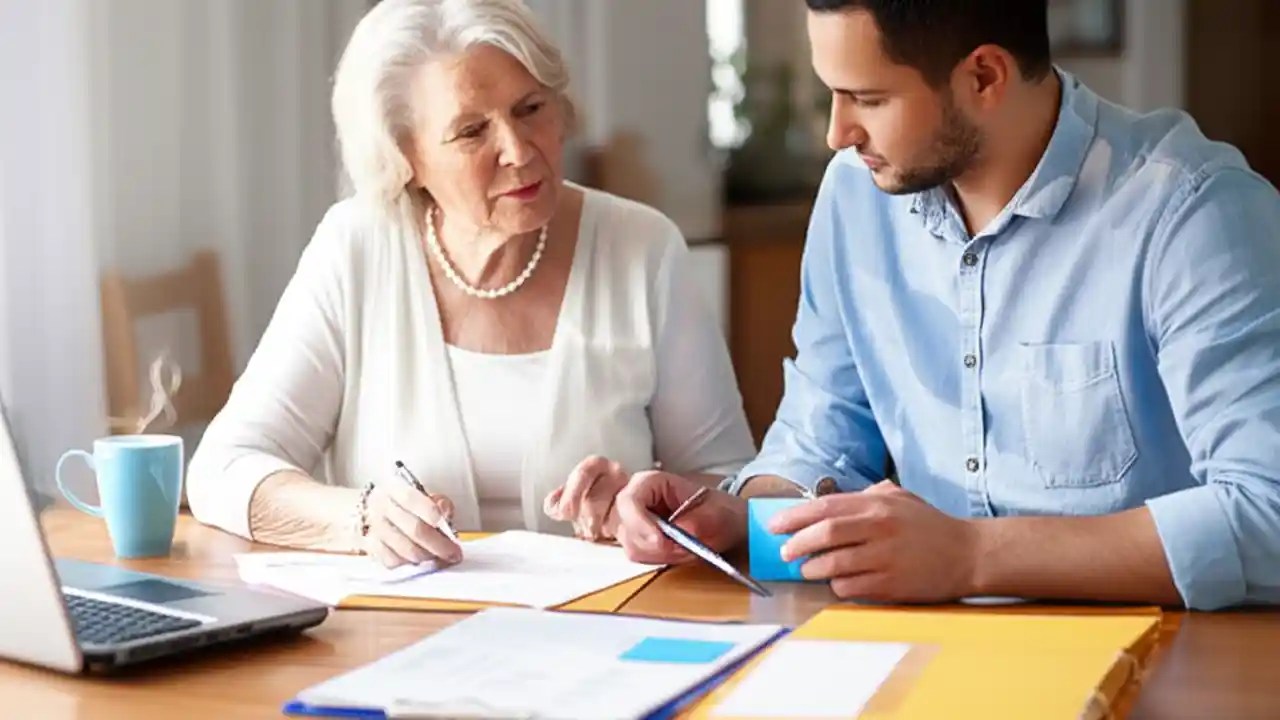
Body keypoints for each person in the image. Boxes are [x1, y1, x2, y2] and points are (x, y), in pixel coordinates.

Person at [615, 0, 1280, 611]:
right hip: (931, 659)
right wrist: (737, 517)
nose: (836, 132)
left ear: (984, 77)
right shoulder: (855, 196)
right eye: (832, 94)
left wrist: (971, 555)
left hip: (1162, 659)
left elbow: (1268, 514)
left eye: (867, 98)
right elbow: (820, 441)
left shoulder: (1193, 212)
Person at [187, 0, 753, 568]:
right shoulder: (355, 248)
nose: (518, 148)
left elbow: (729, 480)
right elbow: (224, 467)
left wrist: (646, 507)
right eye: (471, 131)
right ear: (405, 156)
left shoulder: (643, 248)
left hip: (605, 627)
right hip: (402, 635)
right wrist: (361, 519)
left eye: (531, 108)